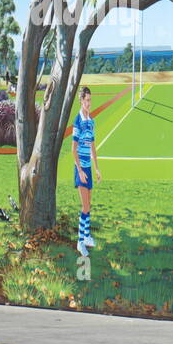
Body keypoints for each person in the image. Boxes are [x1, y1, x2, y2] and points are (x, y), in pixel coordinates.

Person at [71, 87, 100, 257]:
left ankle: (87, 236)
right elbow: (73, 149)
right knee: (85, 206)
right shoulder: (78, 121)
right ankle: (80, 242)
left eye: (90, 100)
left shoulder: (91, 121)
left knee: (89, 204)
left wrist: (96, 168)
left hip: (88, 167)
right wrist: (80, 170)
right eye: (86, 100)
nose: (89, 103)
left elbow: (92, 146)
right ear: (81, 101)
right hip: (80, 168)